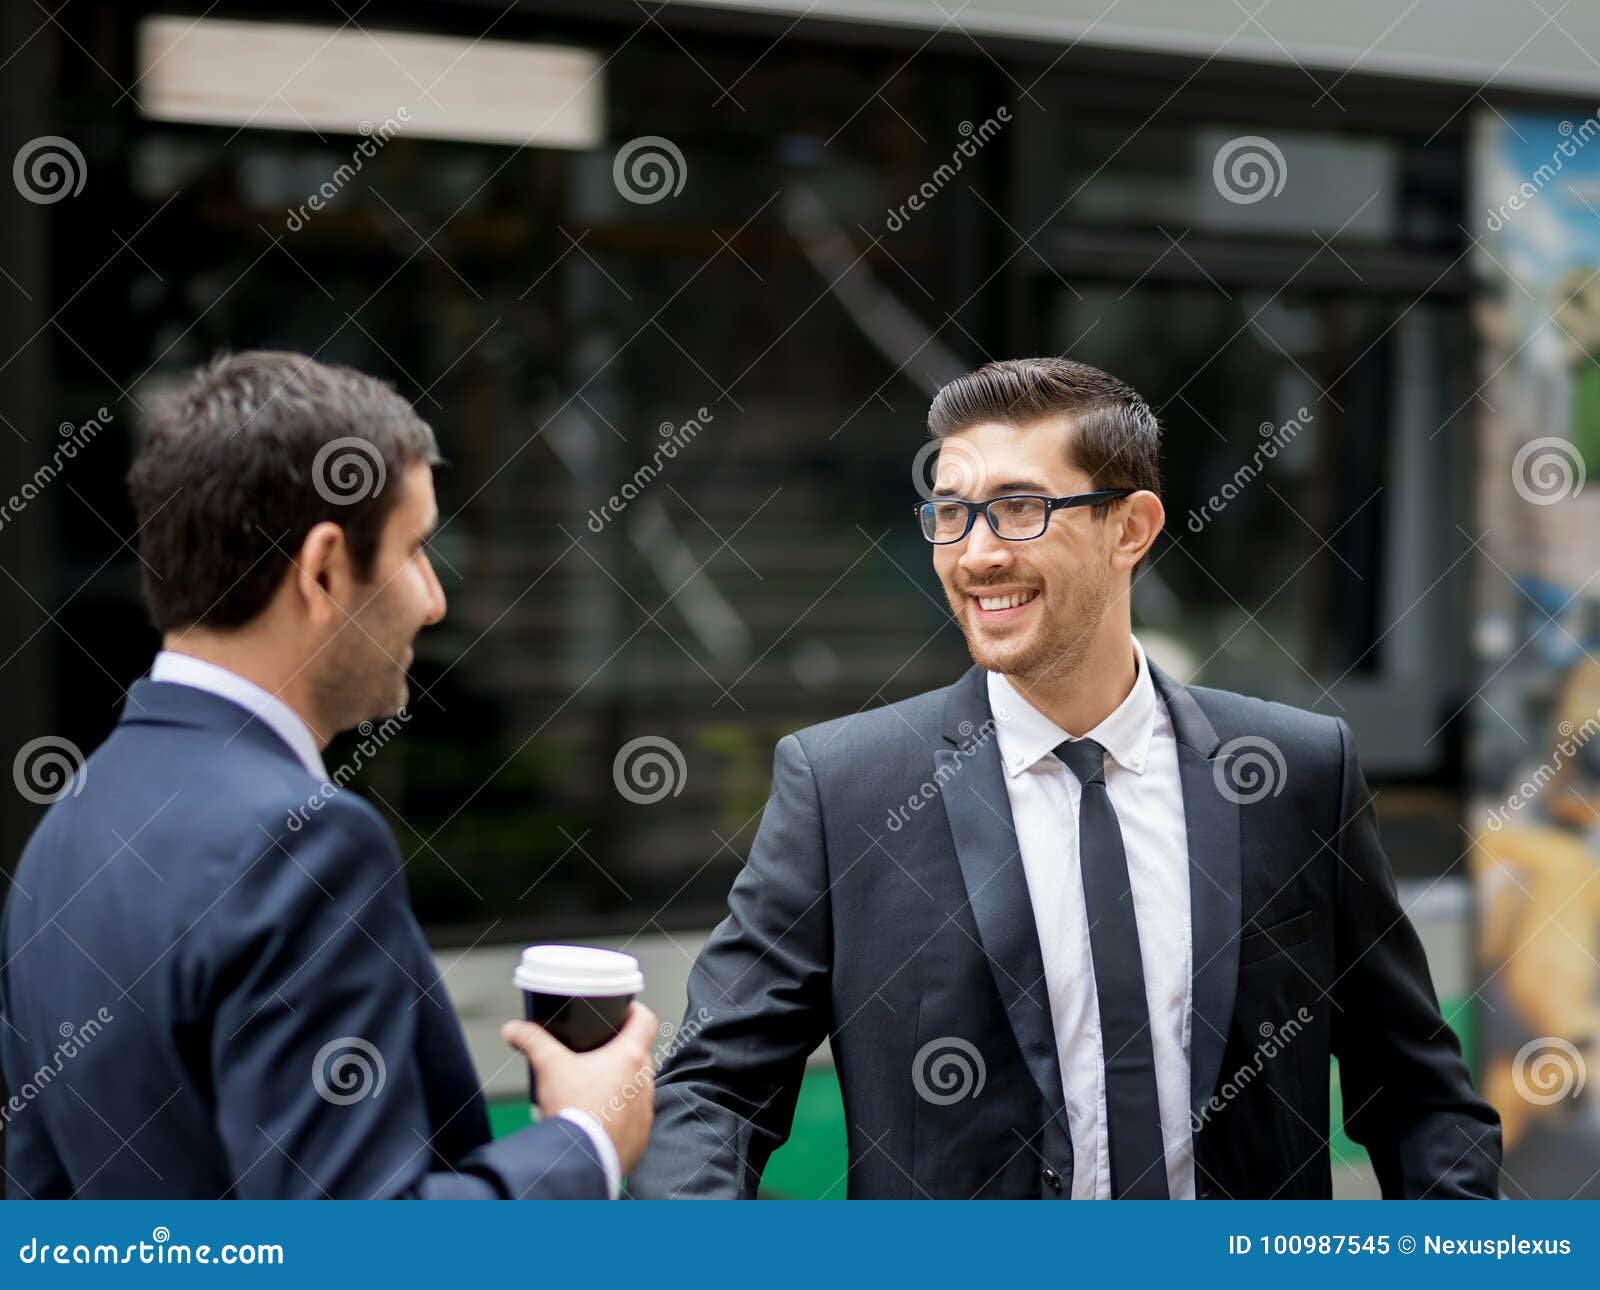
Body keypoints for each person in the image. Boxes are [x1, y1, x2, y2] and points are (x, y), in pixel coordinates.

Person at [630, 357, 1502, 1200]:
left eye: (1017, 509)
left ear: (1131, 528)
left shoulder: (1294, 772)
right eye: (951, 513)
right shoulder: (845, 788)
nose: (975, 556)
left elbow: (1418, 1093)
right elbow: (713, 1091)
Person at [0, 351, 655, 1199]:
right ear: (321, 569)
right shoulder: (304, 843)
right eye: (416, 549)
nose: (433, 599)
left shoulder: (69, 824)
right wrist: (584, 1143)